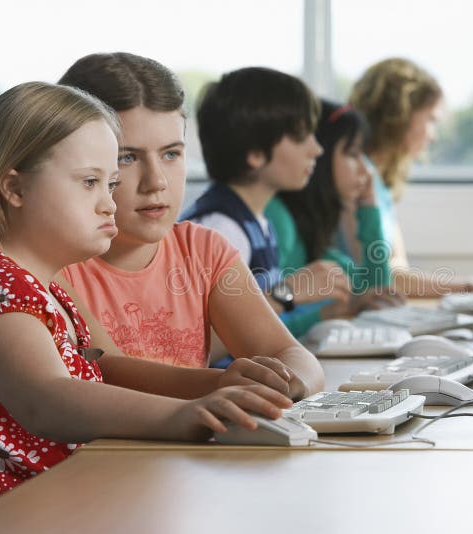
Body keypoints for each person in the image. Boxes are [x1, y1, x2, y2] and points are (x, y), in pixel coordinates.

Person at [0, 82, 292, 517]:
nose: (109, 204)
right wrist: (181, 415)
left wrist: (217, 386)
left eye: (111, 183)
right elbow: (47, 399)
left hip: (72, 501)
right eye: (90, 182)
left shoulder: (42, 286)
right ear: (14, 190)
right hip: (21, 517)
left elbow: (96, 376)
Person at [57, 53, 324, 394]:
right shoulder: (53, 265)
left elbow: (291, 355)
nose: (156, 182)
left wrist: (288, 386)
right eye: (127, 158)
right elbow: (110, 374)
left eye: (171, 154)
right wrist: (227, 384)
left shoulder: (204, 251)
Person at [349, 58, 473, 297]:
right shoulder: (355, 180)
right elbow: (387, 278)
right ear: (401, 116)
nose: (432, 136)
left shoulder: (380, 185)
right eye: (430, 120)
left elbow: (397, 269)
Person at [182, 67, 356, 338]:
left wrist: (325, 312)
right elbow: (197, 341)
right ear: (255, 153)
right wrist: (286, 293)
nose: (317, 149)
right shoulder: (222, 229)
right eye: (301, 137)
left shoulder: (258, 220)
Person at [266, 99, 394, 301]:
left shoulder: (313, 235)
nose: (366, 170)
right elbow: (263, 310)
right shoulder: (278, 218)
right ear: (320, 156)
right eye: (352, 154)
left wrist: (369, 206)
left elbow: (376, 290)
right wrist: (324, 314)